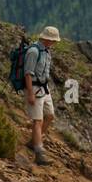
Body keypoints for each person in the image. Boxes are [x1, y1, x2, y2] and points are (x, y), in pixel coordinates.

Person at [23, 26, 61, 166]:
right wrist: (30, 94)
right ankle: (39, 152)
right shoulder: (33, 51)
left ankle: (34, 142)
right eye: (52, 40)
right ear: (46, 38)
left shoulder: (46, 51)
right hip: (34, 88)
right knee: (37, 120)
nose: (54, 43)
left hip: (44, 88)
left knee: (50, 115)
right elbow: (28, 73)